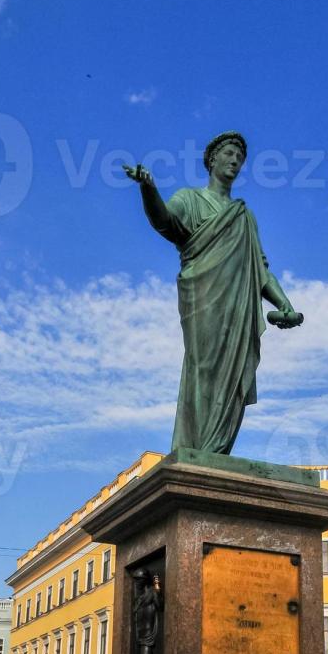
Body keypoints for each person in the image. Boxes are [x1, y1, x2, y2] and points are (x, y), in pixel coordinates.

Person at [124, 132, 303, 455]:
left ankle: (215, 451)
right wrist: (149, 190)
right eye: (230, 154)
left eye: (240, 157)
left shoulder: (244, 217)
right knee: (204, 367)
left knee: (233, 379)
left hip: (238, 306)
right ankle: (196, 448)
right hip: (203, 298)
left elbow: (260, 270)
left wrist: (284, 303)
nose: (235, 161)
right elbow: (165, 223)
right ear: (212, 160)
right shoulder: (190, 199)